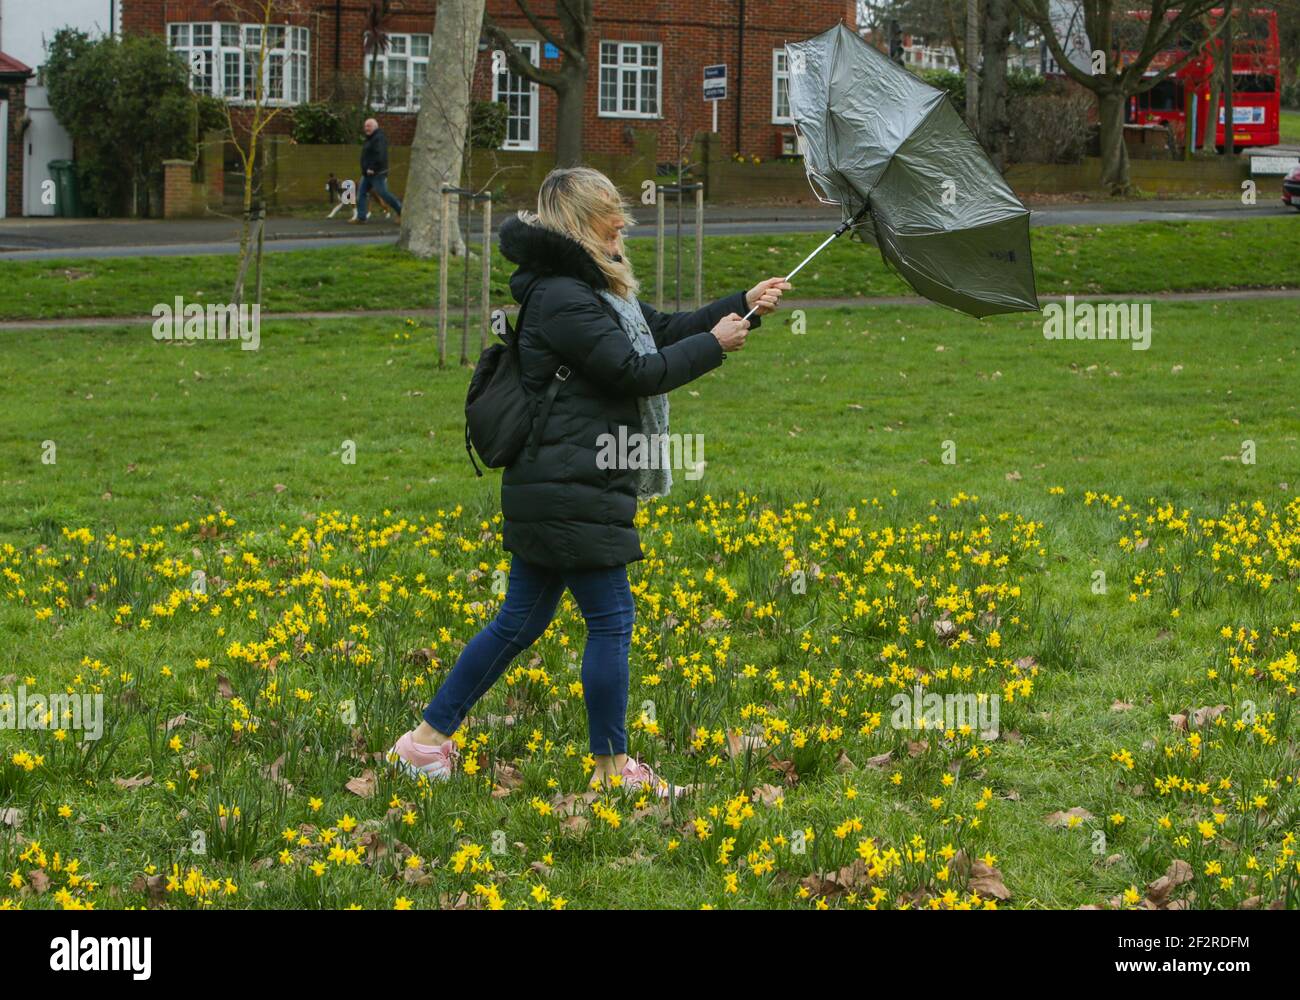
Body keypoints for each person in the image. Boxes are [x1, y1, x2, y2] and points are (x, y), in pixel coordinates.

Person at [389, 167, 790, 797]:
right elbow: (633, 369)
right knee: (611, 618)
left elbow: (656, 331)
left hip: (563, 481)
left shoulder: (593, 291)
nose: (624, 223)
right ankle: (611, 772)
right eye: (611, 214)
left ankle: (423, 745)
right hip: (571, 482)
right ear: (582, 223)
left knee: (519, 622)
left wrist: (743, 304)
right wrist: (714, 346)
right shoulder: (563, 297)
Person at [350, 118, 402, 224]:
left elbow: (380, 155)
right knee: (361, 193)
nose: (366, 128)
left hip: (376, 173)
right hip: (367, 173)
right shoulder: (370, 138)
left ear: (375, 126)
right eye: (365, 126)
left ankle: (402, 211)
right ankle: (361, 217)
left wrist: (372, 168)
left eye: (369, 126)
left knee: (384, 194)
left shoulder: (379, 138)